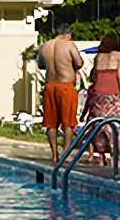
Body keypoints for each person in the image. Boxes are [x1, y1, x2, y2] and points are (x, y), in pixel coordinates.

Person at [36, 24, 87, 161]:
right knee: (68, 122)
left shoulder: (45, 46)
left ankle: (54, 154)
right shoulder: (69, 45)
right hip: (65, 86)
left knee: (50, 123)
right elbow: (79, 62)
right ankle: (66, 153)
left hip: (50, 85)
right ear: (68, 34)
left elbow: (40, 64)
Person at [85, 31, 120, 165]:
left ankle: (100, 156)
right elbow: (119, 77)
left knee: (98, 125)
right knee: (114, 126)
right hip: (113, 93)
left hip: (98, 93)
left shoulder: (98, 57)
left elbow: (94, 76)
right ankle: (115, 156)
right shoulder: (119, 56)